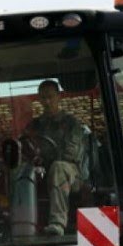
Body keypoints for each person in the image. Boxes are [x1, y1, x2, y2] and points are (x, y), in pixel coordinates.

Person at [26, 80, 90, 236]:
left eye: (50, 97)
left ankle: (57, 224)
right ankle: (17, 223)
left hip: (72, 174)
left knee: (58, 167)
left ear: (58, 97)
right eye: (43, 98)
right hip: (40, 171)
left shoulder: (71, 123)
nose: (47, 101)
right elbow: (24, 146)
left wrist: (43, 159)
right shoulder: (34, 125)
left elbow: (71, 154)